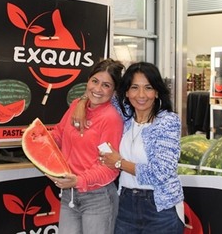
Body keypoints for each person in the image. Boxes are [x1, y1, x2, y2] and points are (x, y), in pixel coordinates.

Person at [99, 62, 184, 234]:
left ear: (157, 92)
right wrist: (81, 104)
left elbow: (161, 172)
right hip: (125, 204)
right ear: (126, 92)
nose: (141, 95)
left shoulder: (168, 121)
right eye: (134, 88)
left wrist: (119, 163)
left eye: (148, 88)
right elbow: (98, 95)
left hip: (161, 209)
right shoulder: (125, 117)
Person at [47, 59, 125, 234]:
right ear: (88, 81)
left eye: (106, 85)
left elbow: (109, 167)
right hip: (69, 194)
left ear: (114, 91)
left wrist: (79, 180)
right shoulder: (77, 105)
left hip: (98, 198)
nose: (98, 89)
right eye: (95, 81)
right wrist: (38, 139)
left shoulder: (110, 119)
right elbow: (59, 134)